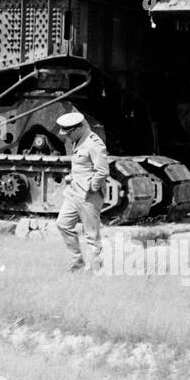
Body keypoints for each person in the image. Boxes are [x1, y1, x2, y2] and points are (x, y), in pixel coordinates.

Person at [55, 110, 109, 274]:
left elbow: (102, 171)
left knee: (91, 235)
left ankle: (95, 270)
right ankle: (77, 262)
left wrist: (91, 188)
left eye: (68, 133)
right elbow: (82, 166)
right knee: (63, 224)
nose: (66, 136)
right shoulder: (78, 140)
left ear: (78, 129)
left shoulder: (93, 143)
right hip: (73, 193)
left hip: (88, 196)